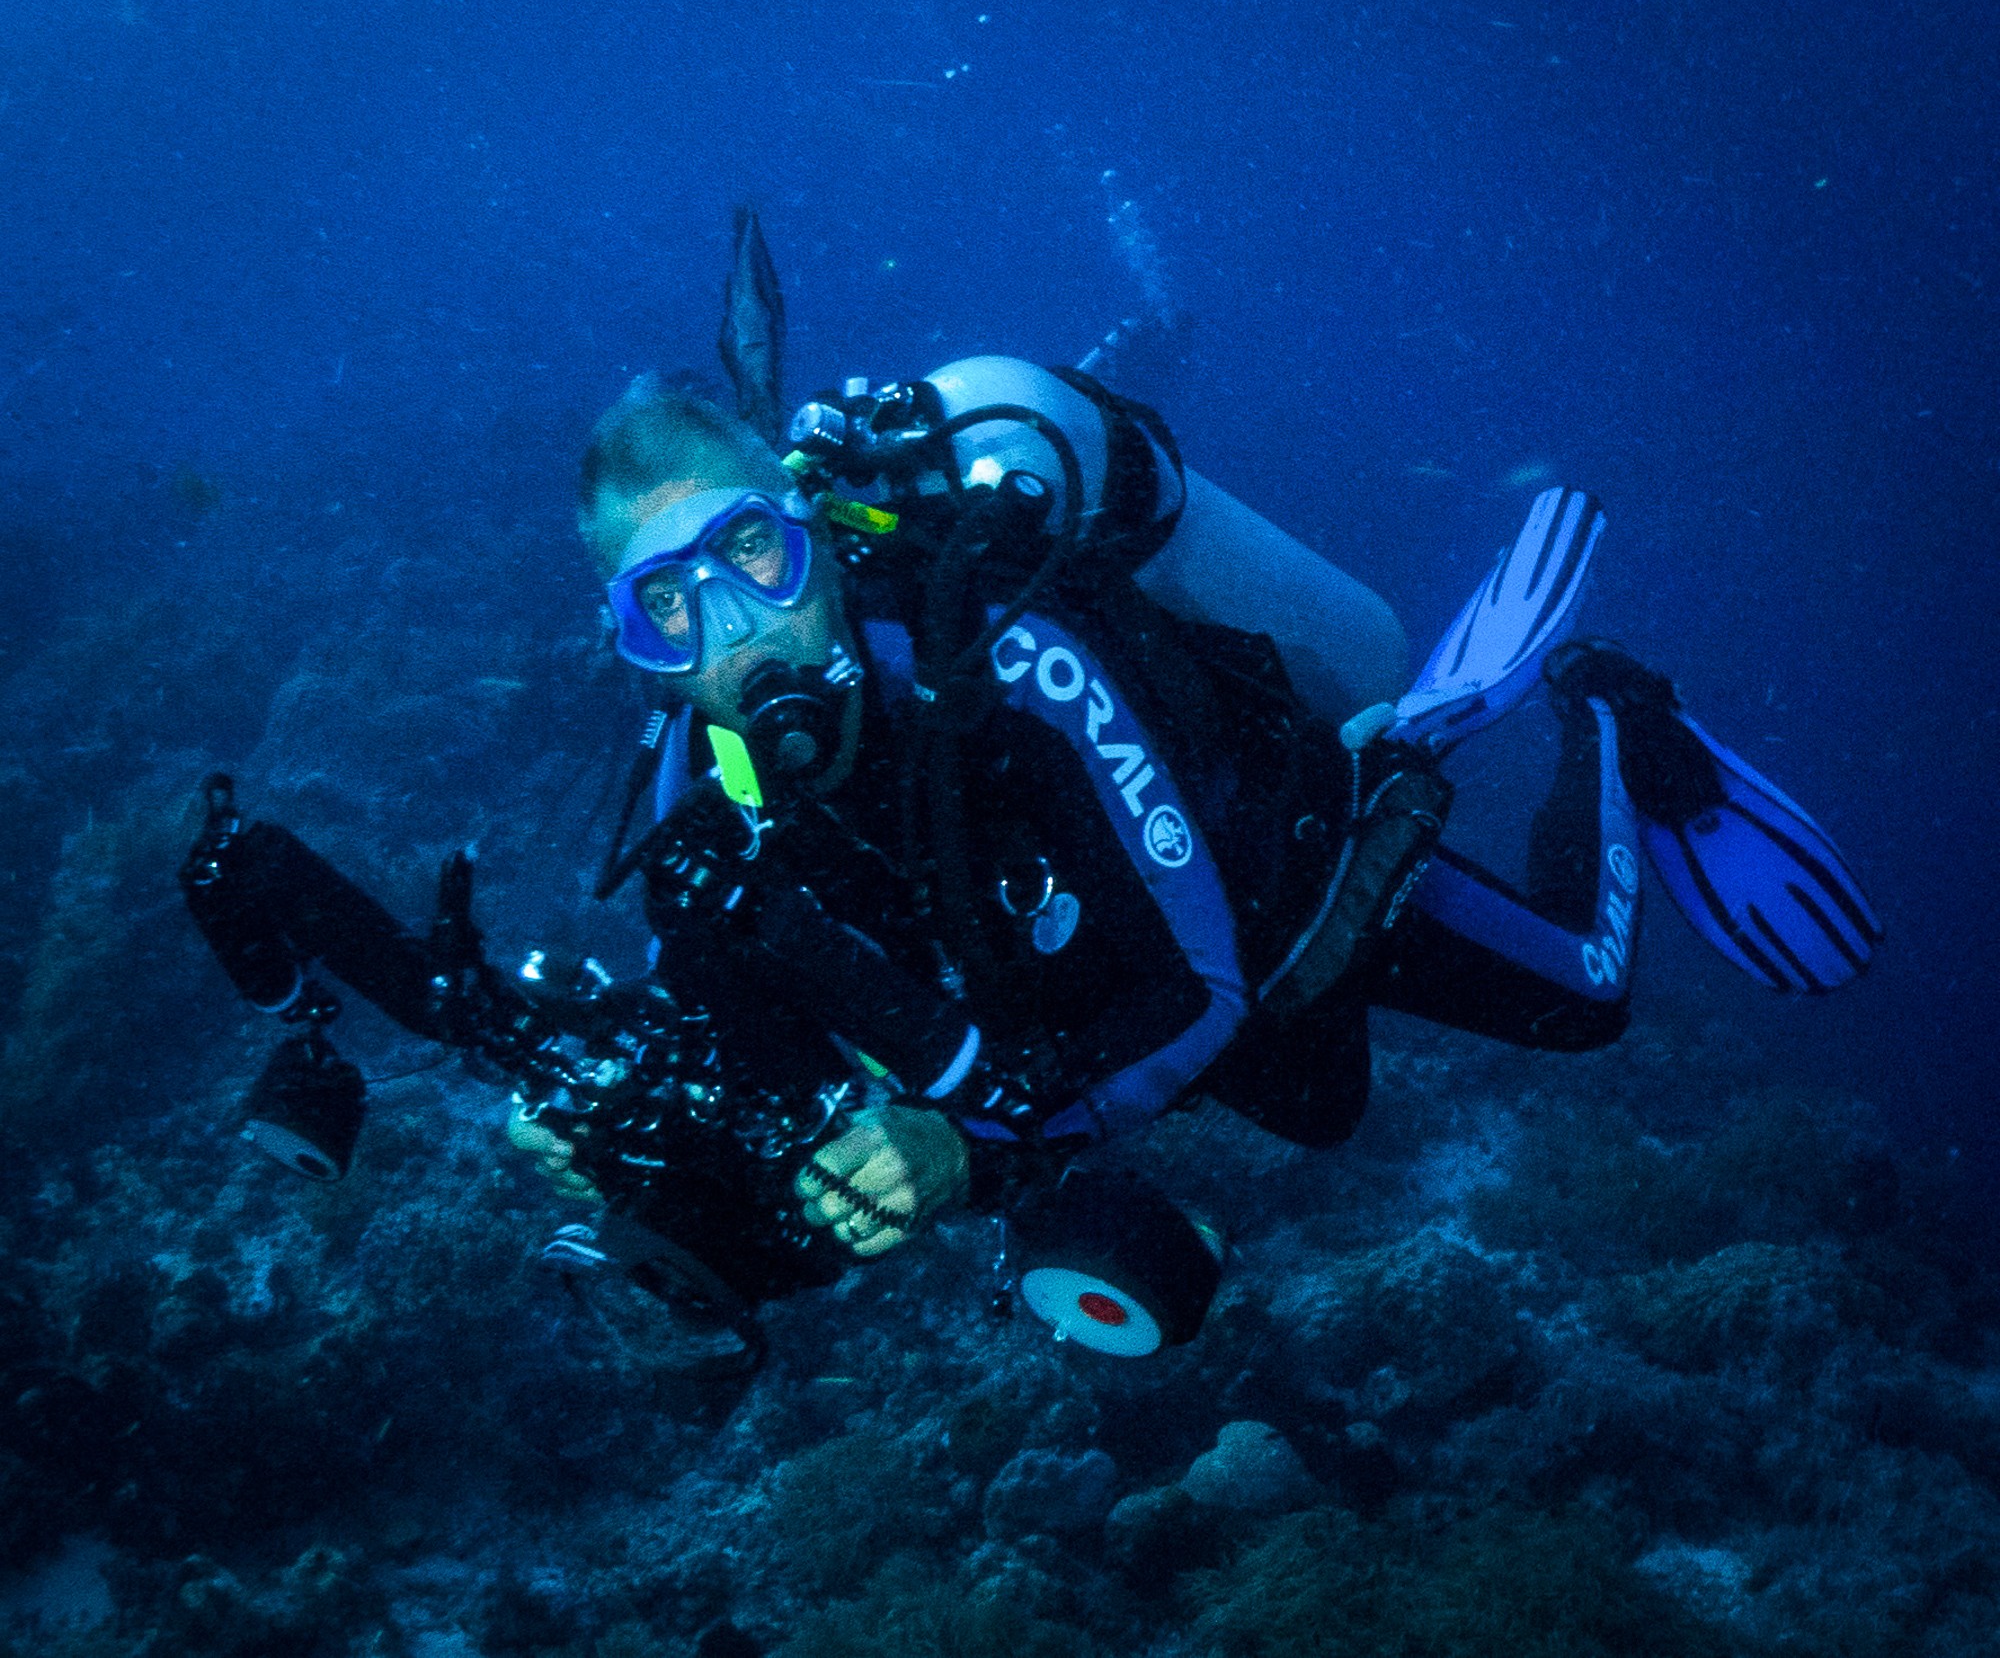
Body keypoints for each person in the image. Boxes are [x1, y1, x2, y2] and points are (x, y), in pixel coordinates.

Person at [183, 352, 1880, 1358]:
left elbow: (1205, 983)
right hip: (1105, 1030)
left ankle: (1606, 707)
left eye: (758, 554)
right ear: (636, 650)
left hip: (1285, 892)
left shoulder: (1017, 657)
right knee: (1319, 1106)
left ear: (823, 543)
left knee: (1584, 997)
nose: (739, 627)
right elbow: (793, 1107)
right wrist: (634, 1153)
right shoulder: (708, 843)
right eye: (670, 604)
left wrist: (974, 1142)